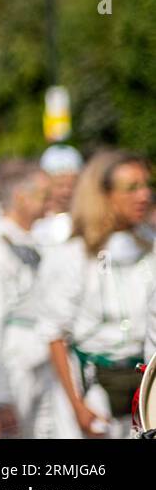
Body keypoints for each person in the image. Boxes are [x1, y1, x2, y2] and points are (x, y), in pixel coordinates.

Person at [41, 150, 154, 438]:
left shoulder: (150, 246)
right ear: (103, 195)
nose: (144, 195)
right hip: (93, 391)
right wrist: (78, 407)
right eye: (131, 188)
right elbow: (54, 334)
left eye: (146, 185)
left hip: (141, 388)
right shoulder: (73, 254)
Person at [0, 159, 53, 437]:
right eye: (43, 195)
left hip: (44, 357)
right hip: (13, 360)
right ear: (20, 196)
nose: (49, 201)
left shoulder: (41, 238)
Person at [34, 143, 83, 246]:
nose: (66, 192)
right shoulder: (34, 219)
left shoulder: (89, 216)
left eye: (71, 185)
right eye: (60, 185)